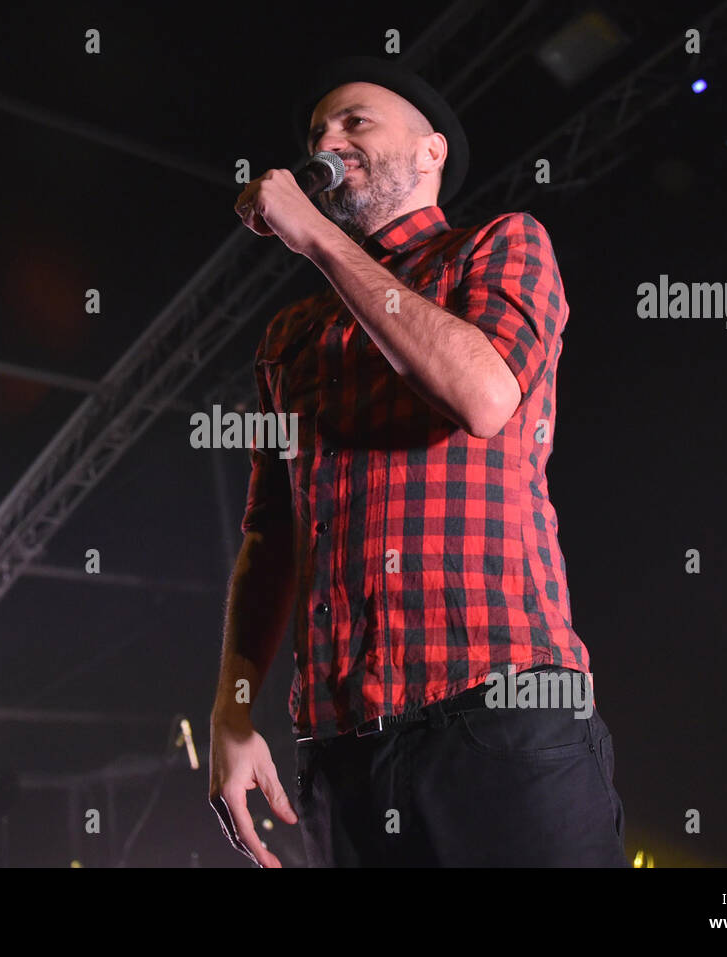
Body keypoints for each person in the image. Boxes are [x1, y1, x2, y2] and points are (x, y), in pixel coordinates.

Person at [207, 56, 626, 867]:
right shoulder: (288, 338)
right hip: (339, 750)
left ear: (431, 150)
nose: (327, 139)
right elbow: (269, 539)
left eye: (354, 121)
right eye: (317, 132)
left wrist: (320, 239)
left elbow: (482, 396)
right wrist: (231, 710)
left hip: (497, 716)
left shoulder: (499, 246)